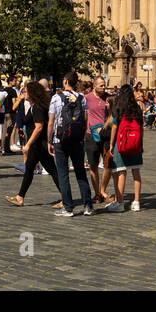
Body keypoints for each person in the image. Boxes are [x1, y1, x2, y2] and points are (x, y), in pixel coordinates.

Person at [48, 71, 94, 217]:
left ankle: (68, 207)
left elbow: (51, 122)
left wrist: (49, 140)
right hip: (77, 139)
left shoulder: (56, 97)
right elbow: (86, 119)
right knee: (81, 172)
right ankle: (88, 206)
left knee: (63, 174)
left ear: (66, 81)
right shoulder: (82, 98)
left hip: (60, 139)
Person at [6, 80, 59, 206]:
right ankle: (20, 197)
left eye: (26, 90)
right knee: (30, 170)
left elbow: (39, 127)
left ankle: (66, 198)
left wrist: (28, 144)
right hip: (37, 145)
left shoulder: (37, 107)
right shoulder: (35, 106)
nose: (24, 92)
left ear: (32, 93)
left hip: (39, 145)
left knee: (52, 170)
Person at [107, 82, 146, 211]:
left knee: (121, 172)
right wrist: (140, 143)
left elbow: (114, 126)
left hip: (122, 144)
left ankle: (120, 203)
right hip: (135, 144)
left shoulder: (118, 107)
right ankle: (136, 202)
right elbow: (141, 128)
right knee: (136, 172)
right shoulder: (137, 108)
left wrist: (112, 144)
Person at [83, 75, 111, 201]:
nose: (104, 87)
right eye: (101, 85)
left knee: (108, 164)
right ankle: (97, 193)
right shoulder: (87, 98)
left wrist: (105, 125)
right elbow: (84, 115)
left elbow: (113, 116)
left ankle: (103, 189)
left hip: (105, 135)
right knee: (93, 166)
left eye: (104, 85)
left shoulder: (109, 98)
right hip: (91, 135)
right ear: (94, 85)